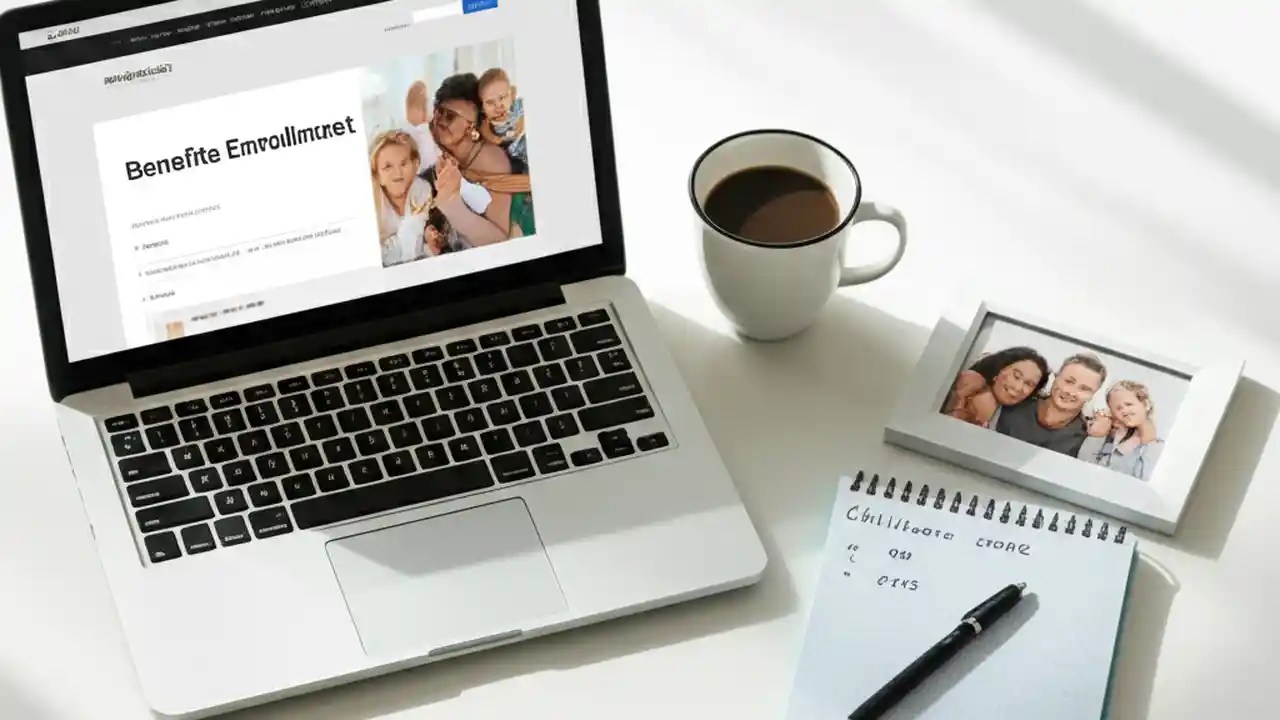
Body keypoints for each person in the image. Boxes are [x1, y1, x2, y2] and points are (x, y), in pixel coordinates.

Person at [369, 130, 504, 267]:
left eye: (404, 164)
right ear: (377, 175)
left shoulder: (421, 189)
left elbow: (419, 235)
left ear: (415, 165)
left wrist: (428, 239)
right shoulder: (372, 207)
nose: (397, 173)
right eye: (387, 167)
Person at [432, 72, 537, 239]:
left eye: (450, 115)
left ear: (472, 125)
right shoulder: (443, 153)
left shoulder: (490, 160)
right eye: (438, 112)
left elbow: (500, 238)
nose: (440, 120)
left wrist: (451, 205)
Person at [996, 353, 1107, 457]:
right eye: (1069, 381)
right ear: (1055, 377)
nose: (1071, 392)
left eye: (1084, 389)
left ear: (1093, 395)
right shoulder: (1016, 403)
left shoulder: (1085, 435)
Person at [942, 347, 1050, 428]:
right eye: (1016, 376)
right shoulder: (972, 383)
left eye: (1029, 384)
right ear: (999, 368)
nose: (1018, 387)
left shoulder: (1013, 413)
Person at [1078, 381, 1165, 481]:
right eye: (1118, 408)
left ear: (1145, 404)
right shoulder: (1114, 439)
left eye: (1129, 404)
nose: (1124, 411)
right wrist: (1097, 436)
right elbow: (1086, 469)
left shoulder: (1156, 447)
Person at [478, 68, 528, 169]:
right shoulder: (487, 123)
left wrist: (521, 122)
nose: (498, 106)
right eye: (490, 103)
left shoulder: (517, 106)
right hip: (514, 157)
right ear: (482, 108)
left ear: (512, 94)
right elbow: (489, 138)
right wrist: (494, 138)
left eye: (502, 98)